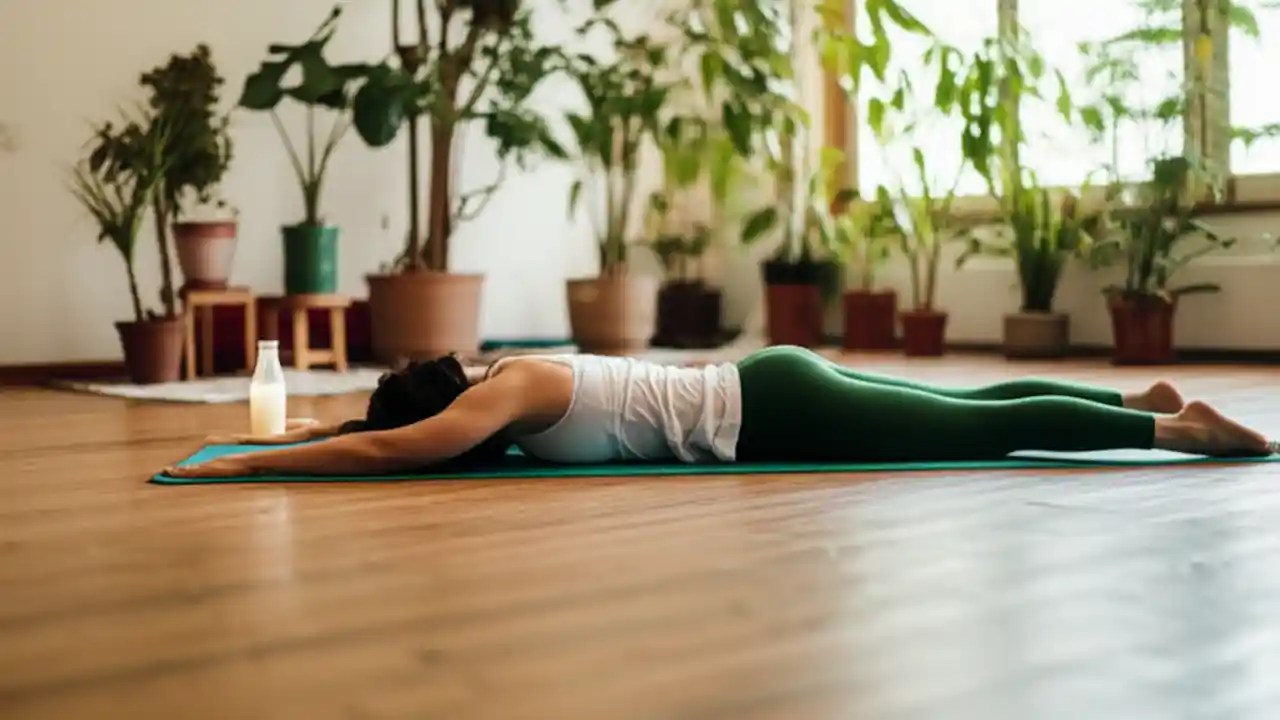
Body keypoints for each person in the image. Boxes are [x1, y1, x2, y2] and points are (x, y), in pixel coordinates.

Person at [164, 346, 1276, 478]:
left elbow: (407, 446)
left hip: (771, 411)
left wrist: (252, 467)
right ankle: (1132, 395)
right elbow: (397, 427)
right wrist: (312, 430)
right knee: (956, 402)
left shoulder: (500, 401)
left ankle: (1177, 434)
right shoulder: (506, 380)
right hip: (771, 381)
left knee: (975, 429)